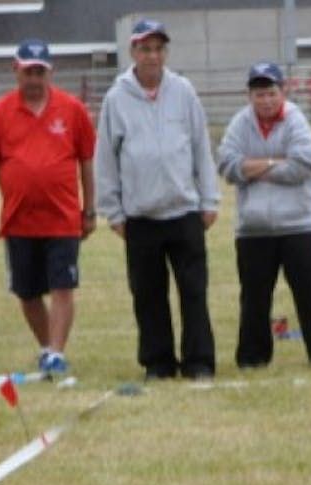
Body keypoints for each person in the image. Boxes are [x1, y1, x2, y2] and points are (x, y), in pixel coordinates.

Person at [95, 19, 220, 380]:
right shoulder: (116, 98)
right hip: (140, 215)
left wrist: (209, 200)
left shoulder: (184, 91)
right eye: (145, 49)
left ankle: (199, 362)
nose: (152, 56)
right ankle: (158, 363)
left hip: (184, 210)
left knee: (194, 292)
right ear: (133, 52)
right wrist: (113, 210)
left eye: (158, 49)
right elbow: (105, 159)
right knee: (148, 296)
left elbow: (201, 148)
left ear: (165, 53)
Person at [0, 38, 96, 375]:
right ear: (16, 71)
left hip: (63, 218)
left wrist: (90, 209)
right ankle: (46, 347)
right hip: (19, 220)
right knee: (27, 293)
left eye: (40, 72)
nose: (34, 79)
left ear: (50, 73)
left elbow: (86, 161)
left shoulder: (72, 110)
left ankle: (57, 353)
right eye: (28, 72)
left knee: (62, 287)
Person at [217, 61, 311, 368]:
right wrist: (275, 161)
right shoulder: (239, 124)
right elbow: (228, 167)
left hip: (300, 224)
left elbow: (302, 166)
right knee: (254, 299)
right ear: (249, 96)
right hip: (253, 228)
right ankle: (252, 359)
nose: (266, 100)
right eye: (259, 94)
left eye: (271, 92)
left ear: (282, 91)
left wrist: (255, 166)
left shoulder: (297, 119)